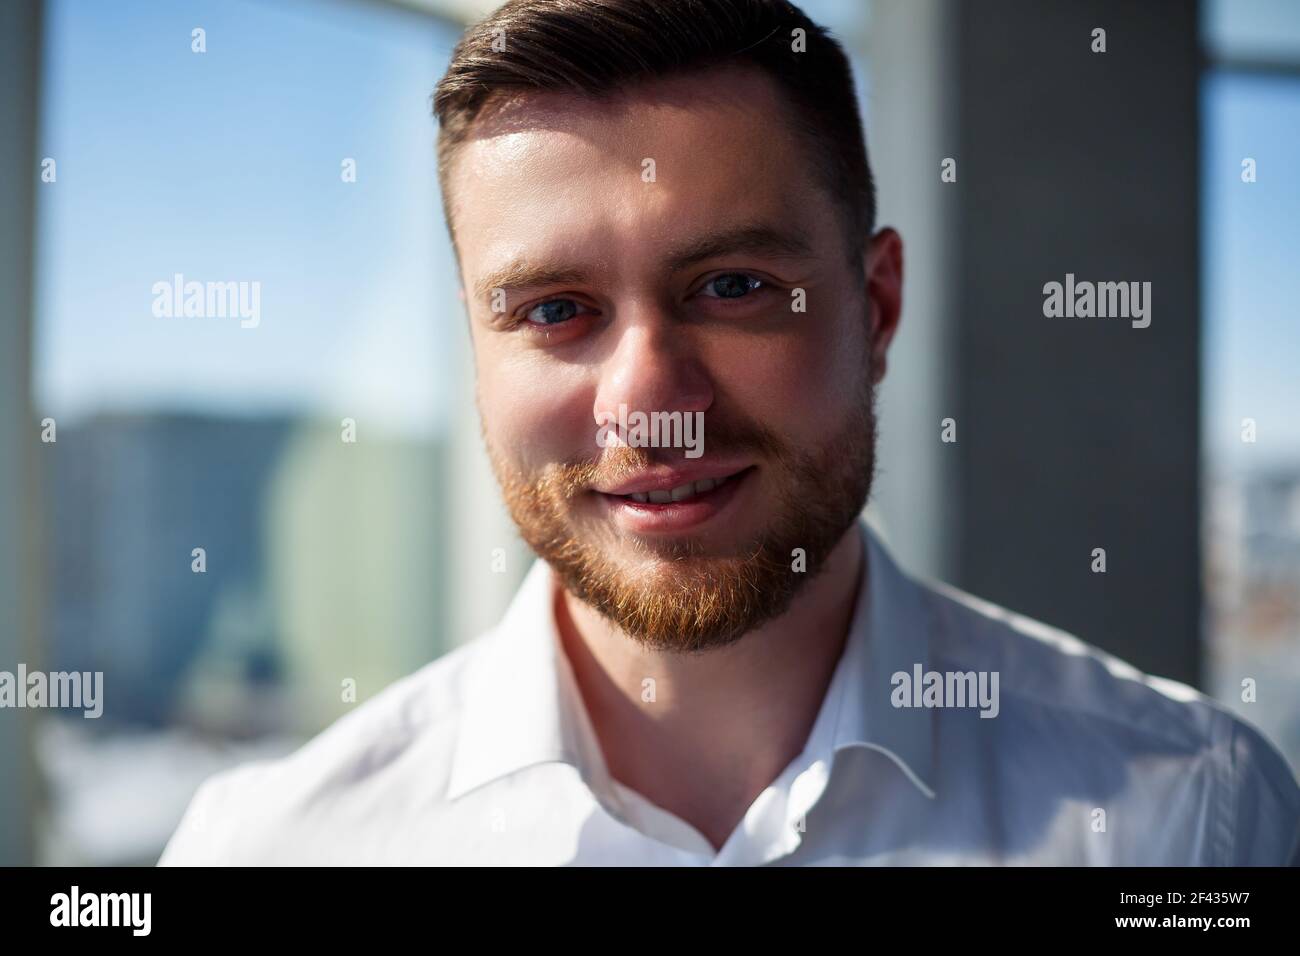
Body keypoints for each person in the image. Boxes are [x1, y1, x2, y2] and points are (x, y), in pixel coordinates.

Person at [159, 0, 1299, 866]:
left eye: (734, 285)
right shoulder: (268, 847)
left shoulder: (1188, 813)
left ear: (878, 307)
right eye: (555, 311)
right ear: (479, 352)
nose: (648, 399)